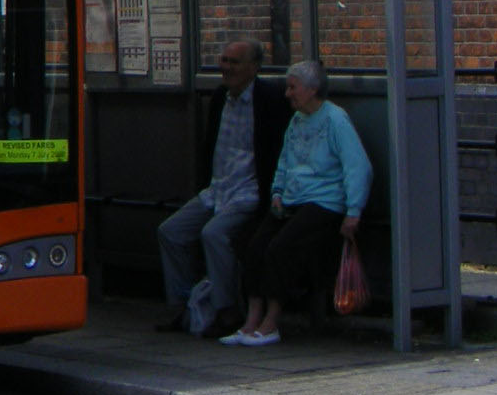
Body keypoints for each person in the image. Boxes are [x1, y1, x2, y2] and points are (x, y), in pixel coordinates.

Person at [225, 59, 371, 346]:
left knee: (280, 249)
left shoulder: (335, 120)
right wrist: (277, 192)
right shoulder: (296, 121)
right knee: (253, 246)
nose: (287, 94)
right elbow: (285, 161)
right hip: (291, 198)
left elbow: (358, 166)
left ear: (312, 89)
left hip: (324, 202)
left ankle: (271, 322)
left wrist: (354, 210)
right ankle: (251, 320)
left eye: (293, 87)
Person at [155, 40, 290, 336]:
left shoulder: (268, 99)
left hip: (248, 192)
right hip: (217, 189)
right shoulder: (220, 98)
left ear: (254, 67)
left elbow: (277, 150)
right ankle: (183, 305)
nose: (226, 68)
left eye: (234, 62)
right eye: (224, 60)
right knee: (171, 231)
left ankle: (227, 310)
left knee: (214, 234)